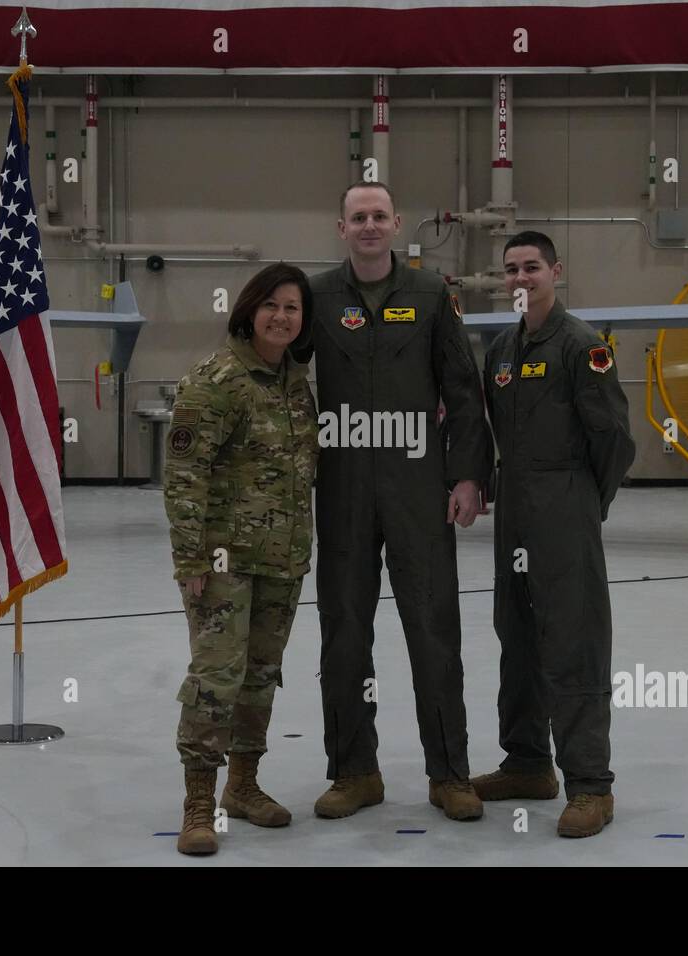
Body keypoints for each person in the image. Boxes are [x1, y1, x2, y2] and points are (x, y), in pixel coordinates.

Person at [298, 181, 493, 821]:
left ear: (397, 223)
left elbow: (463, 391)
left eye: (380, 215)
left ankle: (450, 774)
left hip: (418, 484)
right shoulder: (315, 296)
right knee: (344, 633)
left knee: (435, 631)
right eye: (359, 217)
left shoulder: (433, 295)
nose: (370, 226)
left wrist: (468, 477)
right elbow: (276, 370)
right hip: (344, 485)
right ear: (342, 227)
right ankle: (354, 771)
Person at [473, 231, 636, 838]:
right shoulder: (501, 351)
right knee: (515, 632)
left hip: (564, 505)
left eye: (532, 268)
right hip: (514, 504)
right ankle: (527, 764)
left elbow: (614, 440)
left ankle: (591, 785)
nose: (521, 278)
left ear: (555, 272)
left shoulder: (583, 346)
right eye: (511, 269)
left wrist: (585, 501)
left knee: (573, 639)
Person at [163, 262, 319, 855]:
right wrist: (191, 559)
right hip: (222, 563)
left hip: (283, 559)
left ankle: (244, 786)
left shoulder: (293, 383)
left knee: (260, 675)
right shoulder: (217, 378)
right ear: (250, 309)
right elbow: (183, 474)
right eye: (272, 305)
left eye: (293, 309)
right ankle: (198, 803)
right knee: (216, 678)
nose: (282, 317)